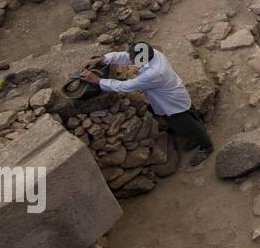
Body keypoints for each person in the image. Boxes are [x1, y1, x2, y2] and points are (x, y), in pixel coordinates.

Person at [81, 42, 212, 166]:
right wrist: (103, 58)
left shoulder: (154, 73)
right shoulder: (151, 53)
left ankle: (206, 146)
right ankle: (198, 135)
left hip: (170, 103)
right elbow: (126, 56)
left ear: (142, 59)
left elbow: (125, 86)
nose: (131, 61)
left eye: (133, 59)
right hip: (173, 95)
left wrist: (98, 80)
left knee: (184, 124)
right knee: (189, 116)